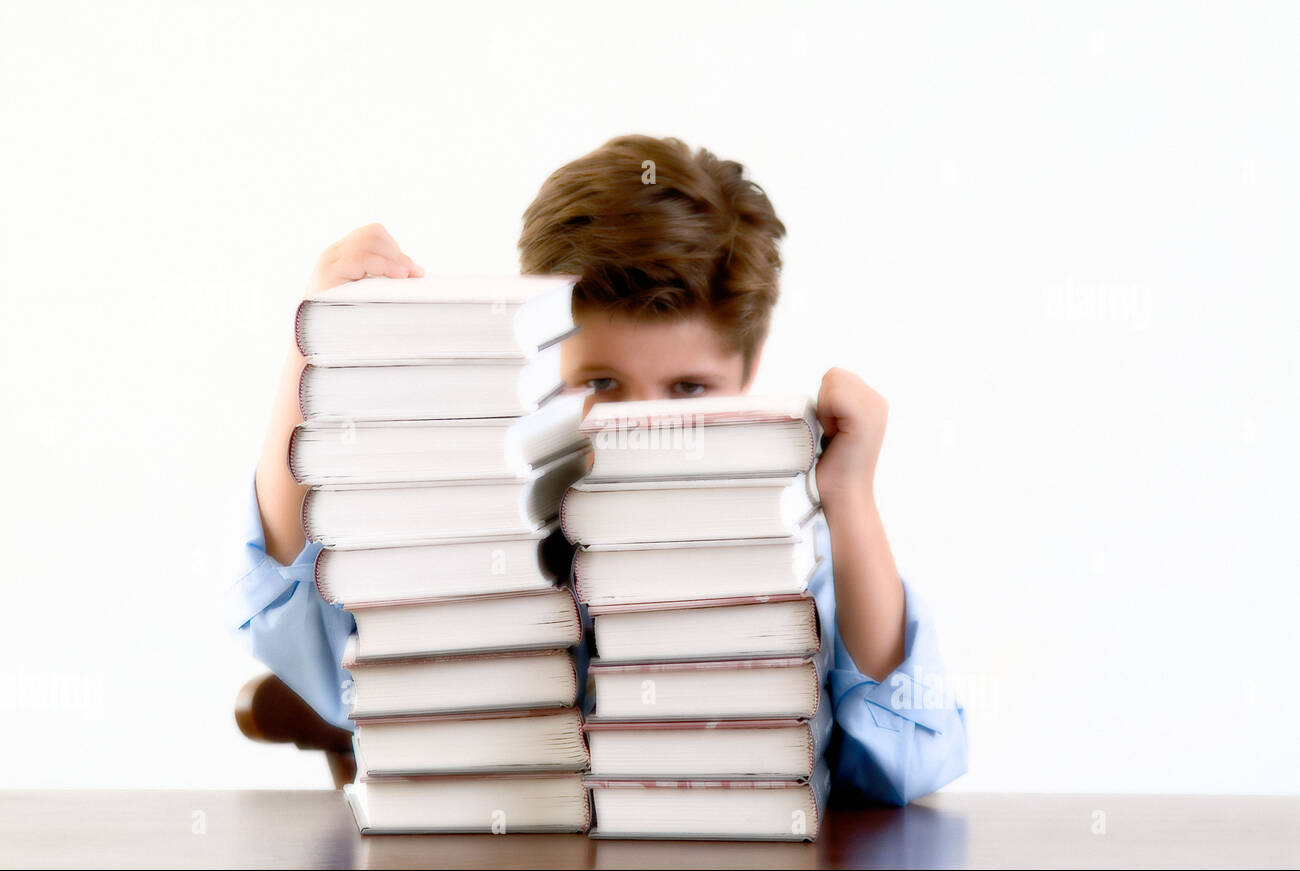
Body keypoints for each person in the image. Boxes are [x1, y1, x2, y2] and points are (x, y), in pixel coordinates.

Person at [227, 134, 968, 806]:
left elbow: (906, 759)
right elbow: (289, 614)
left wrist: (851, 496)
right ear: (537, 366)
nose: (637, 431)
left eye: (689, 391)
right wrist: (315, 336)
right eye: (601, 384)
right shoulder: (461, 545)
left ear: (748, 378)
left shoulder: (780, 556)